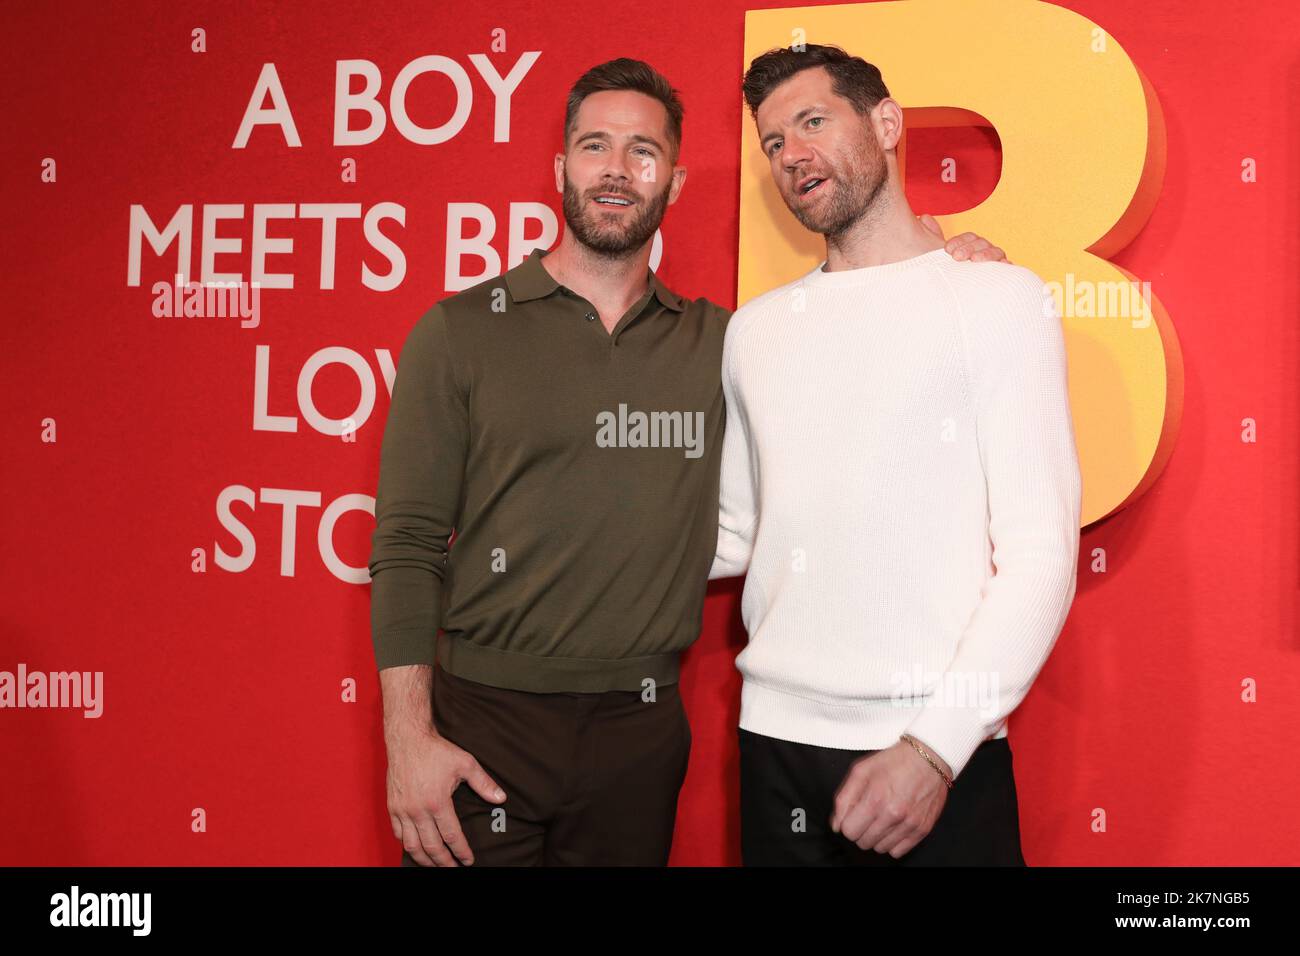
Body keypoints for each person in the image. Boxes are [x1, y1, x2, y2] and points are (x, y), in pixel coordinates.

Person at [369, 57, 1005, 867]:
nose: (616, 169)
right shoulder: (461, 330)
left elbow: (859, 351)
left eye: (643, 151)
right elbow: (406, 545)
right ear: (561, 170)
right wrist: (408, 738)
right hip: (482, 725)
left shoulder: (728, 341)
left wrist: (944, 267)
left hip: (641, 730)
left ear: (672, 183)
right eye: (594, 146)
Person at [709, 44, 1082, 866]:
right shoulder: (756, 332)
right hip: (774, 747)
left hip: (935, 755)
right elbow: (733, 532)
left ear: (885, 124)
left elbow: (1042, 552)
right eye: (773, 143)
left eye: (812, 122)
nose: (791, 154)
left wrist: (934, 749)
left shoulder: (998, 302)